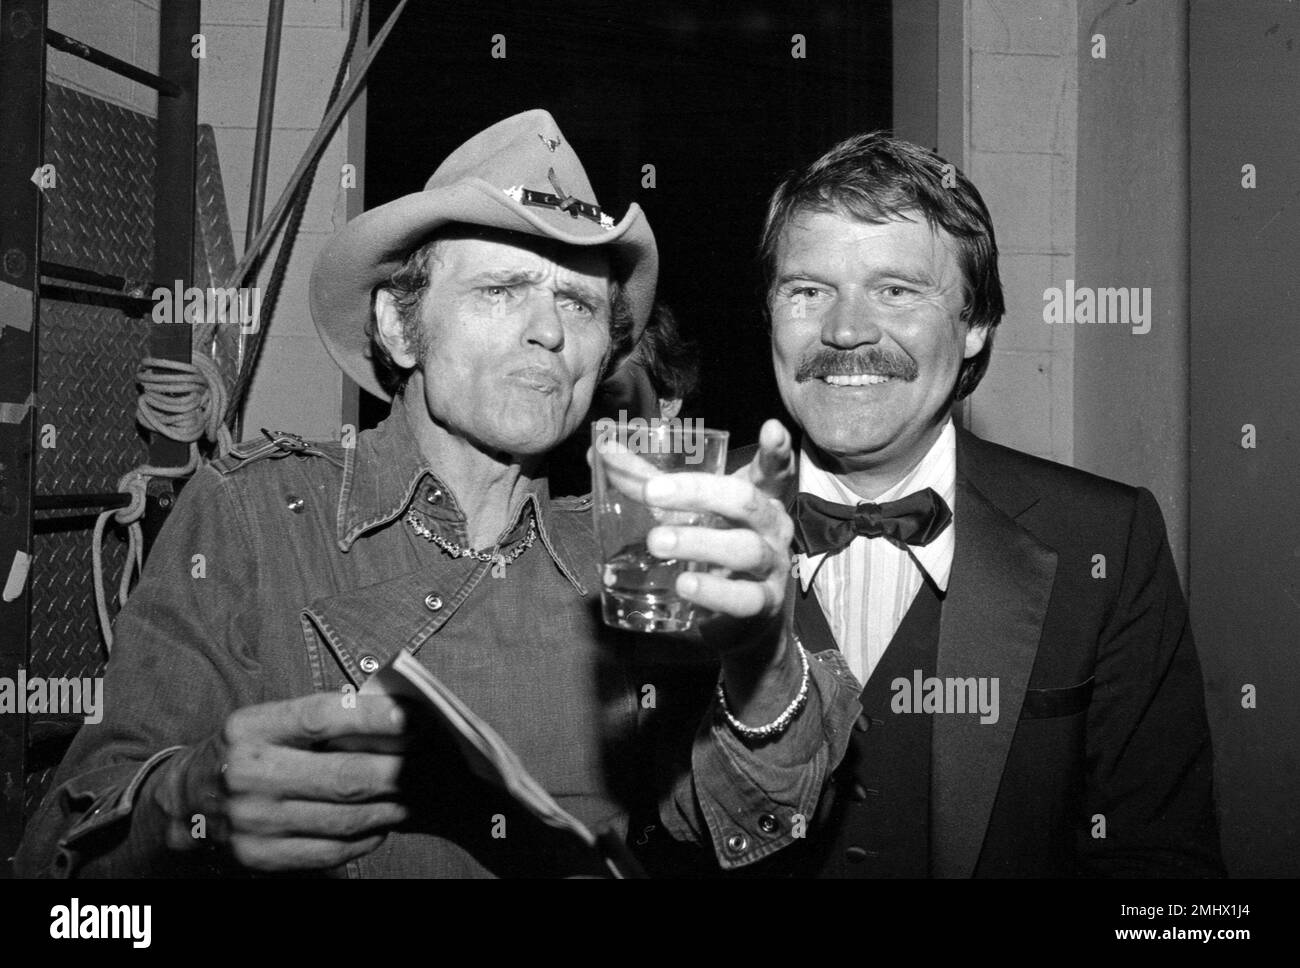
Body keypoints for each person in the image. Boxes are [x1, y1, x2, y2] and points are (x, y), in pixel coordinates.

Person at [14, 110, 859, 878]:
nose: (550, 329)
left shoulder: (630, 555)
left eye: (577, 299)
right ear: (397, 325)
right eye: (500, 290)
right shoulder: (256, 515)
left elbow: (725, 832)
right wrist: (185, 806)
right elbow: (61, 869)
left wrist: (761, 661)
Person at [742, 131, 1224, 877]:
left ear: (974, 326)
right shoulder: (664, 524)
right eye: (807, 290)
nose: (844, 330)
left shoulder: (1104, 539)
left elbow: (1164, 873)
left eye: (896, 290)